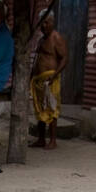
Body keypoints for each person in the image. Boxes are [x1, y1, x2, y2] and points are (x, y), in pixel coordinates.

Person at [31, 12, 67, 149]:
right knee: (40, 109)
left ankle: (53, 140)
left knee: (52, 108)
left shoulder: (56, 38)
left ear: (52, 22)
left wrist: (55, 74)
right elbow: (36, 58)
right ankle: (41, 139)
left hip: (51, 78)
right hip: (38, 80)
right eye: (42, 22)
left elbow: (64, 58)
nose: (44, 25)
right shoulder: (41, 40)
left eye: (47, 22)